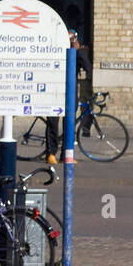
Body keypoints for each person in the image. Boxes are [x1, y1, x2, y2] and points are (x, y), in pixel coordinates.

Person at [45, 28, 91, 164]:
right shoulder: (55, 51)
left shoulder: (77, 53)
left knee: (69, 123)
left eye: (73, 39)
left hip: (70, 92)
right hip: (55, 90)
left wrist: (79, 50)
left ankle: (66, 154)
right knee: (53, 122)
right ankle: (51, 153)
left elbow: (88, 67)